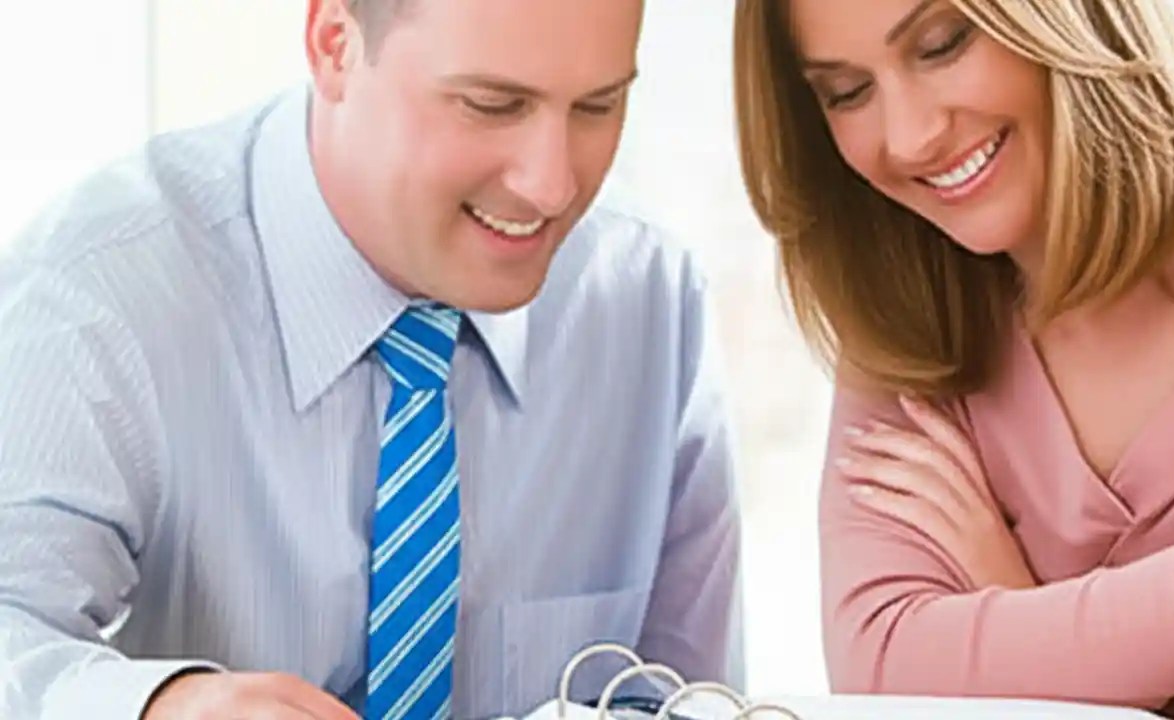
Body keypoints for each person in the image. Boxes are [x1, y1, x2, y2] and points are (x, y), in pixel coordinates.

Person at [0, 0, 743, 718]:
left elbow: (690, 699)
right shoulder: (102, 292)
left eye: (597, 106)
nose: (550, 185)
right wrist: (163, 707)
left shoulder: (647, 299)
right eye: (491, 105)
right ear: (333, 43)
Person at [734, 0, 1174, 716]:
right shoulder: (907, 316)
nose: (910, 137)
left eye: (942, 45)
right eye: (848, 93)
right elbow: (888, 671)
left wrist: (1021, 620)